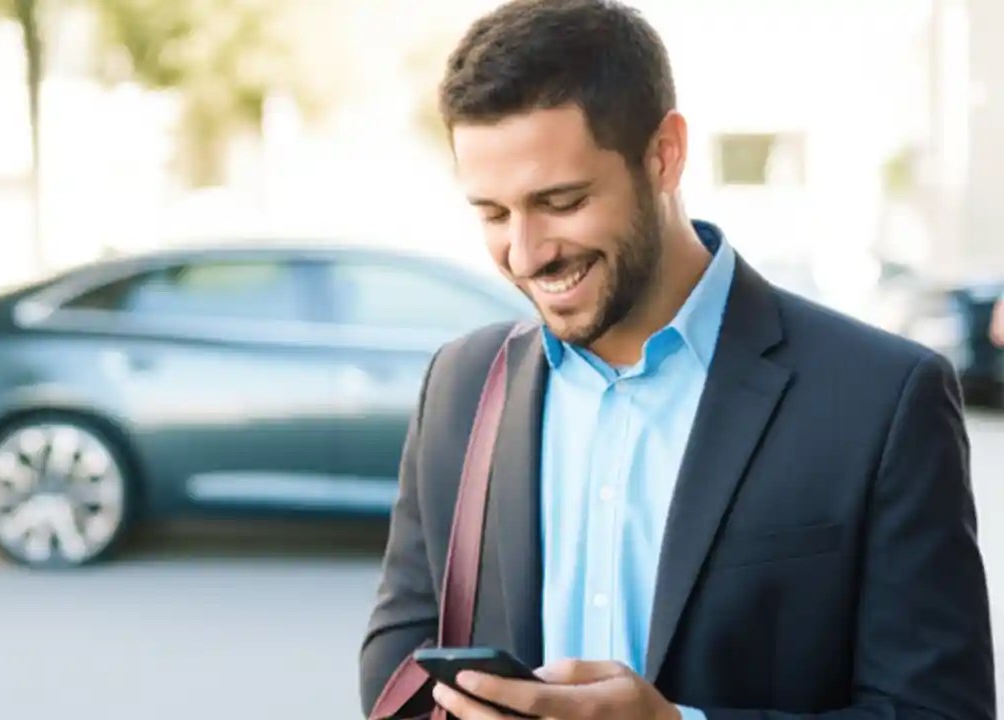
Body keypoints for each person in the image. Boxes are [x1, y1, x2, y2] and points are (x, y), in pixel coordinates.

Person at [359, 1, 995, 719]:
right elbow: (397, 672)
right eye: (493, 214)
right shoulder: (461, 386)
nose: (527, 253)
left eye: (561, 201)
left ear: (665, 154)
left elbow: (941, 710)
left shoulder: (882, 398)